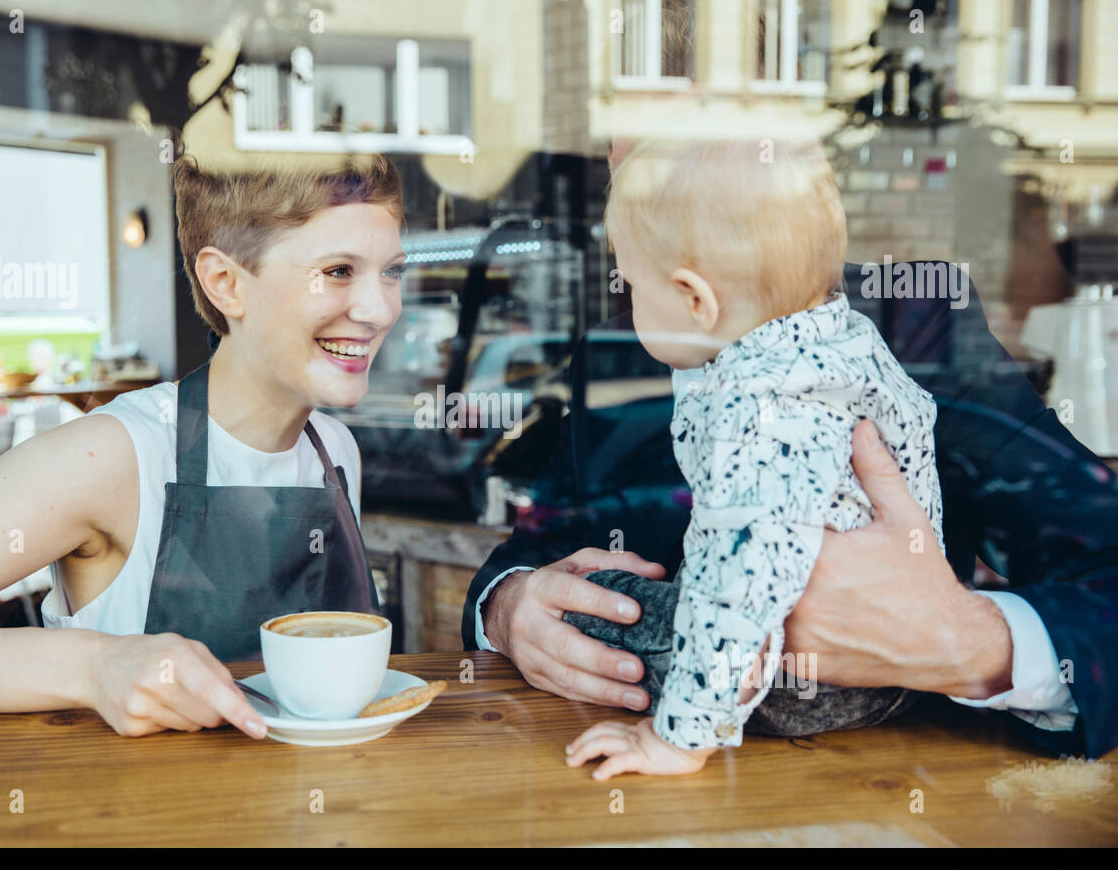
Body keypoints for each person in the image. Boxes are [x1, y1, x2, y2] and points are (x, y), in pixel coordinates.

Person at [465, 157, 1118, 764]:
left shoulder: (921, 323)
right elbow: (535, 545)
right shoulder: (620, 348)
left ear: (693, 297)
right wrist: (508, 606)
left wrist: (968, 642)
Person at [0, 150, 407, 739]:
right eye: (337, 271)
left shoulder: (335, 451)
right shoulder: (112, 457)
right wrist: (95, 666)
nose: (379, 309)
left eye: (391, 272)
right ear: (226, 283)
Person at [560, 135, 946, 778]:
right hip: (900, 671)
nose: (627, 308)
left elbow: (742, 581)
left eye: (631, 287)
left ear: (694, 302)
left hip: (805, 684)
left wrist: (676, 739)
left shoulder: (757, 408)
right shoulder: (846, 343)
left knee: (586, 602)